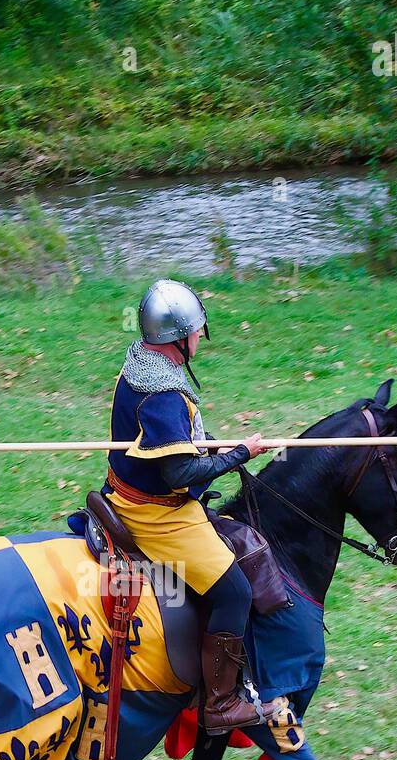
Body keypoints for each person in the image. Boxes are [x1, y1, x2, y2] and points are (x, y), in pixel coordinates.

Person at [103, 278, 272, 733]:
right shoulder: (162, 395)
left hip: (134, 492)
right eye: (196, 331)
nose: (199, 338)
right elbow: (177, 474)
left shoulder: (139, 365)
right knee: (234, 590)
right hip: (157, 514)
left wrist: (216, 446)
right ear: (177, 337)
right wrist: (241, 455)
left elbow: (183, 446)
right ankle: (220, 702)